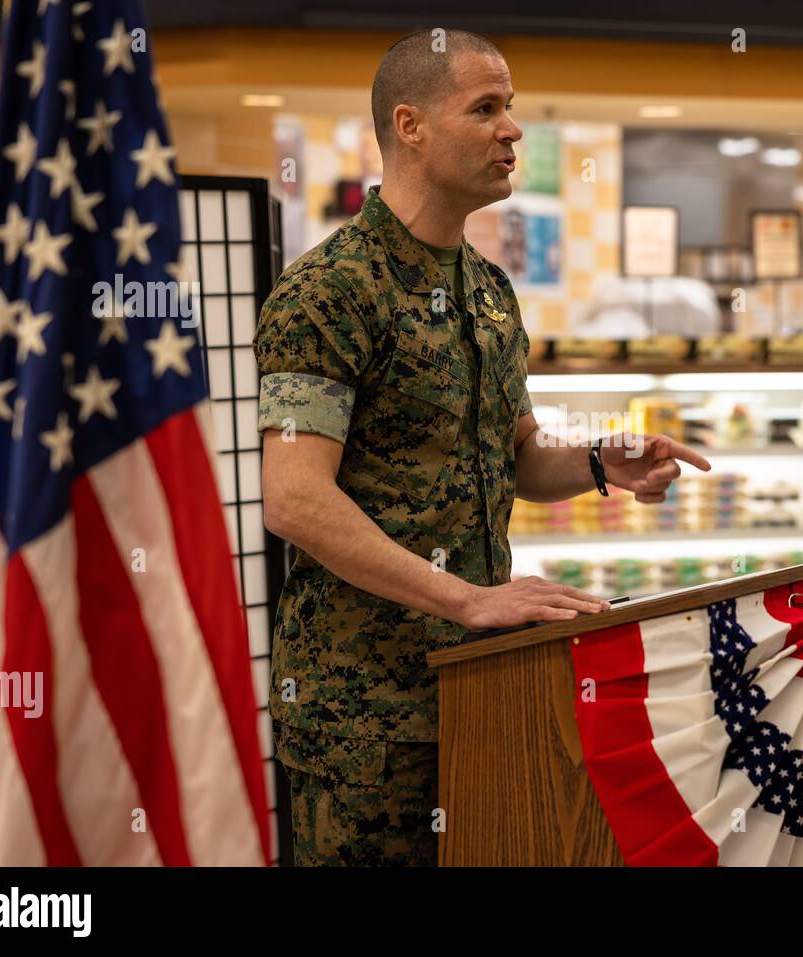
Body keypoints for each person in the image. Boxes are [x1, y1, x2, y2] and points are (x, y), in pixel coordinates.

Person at [254, 29, 710, 866]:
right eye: (486, 109)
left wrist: (603, 460)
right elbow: (295, 498)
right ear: (411, 126)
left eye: (512, 109)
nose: (513, 133)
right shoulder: (327, 292)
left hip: (486, 687)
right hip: (367, 720)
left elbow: (520, 453)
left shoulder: (488, 290)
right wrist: (466, 599)